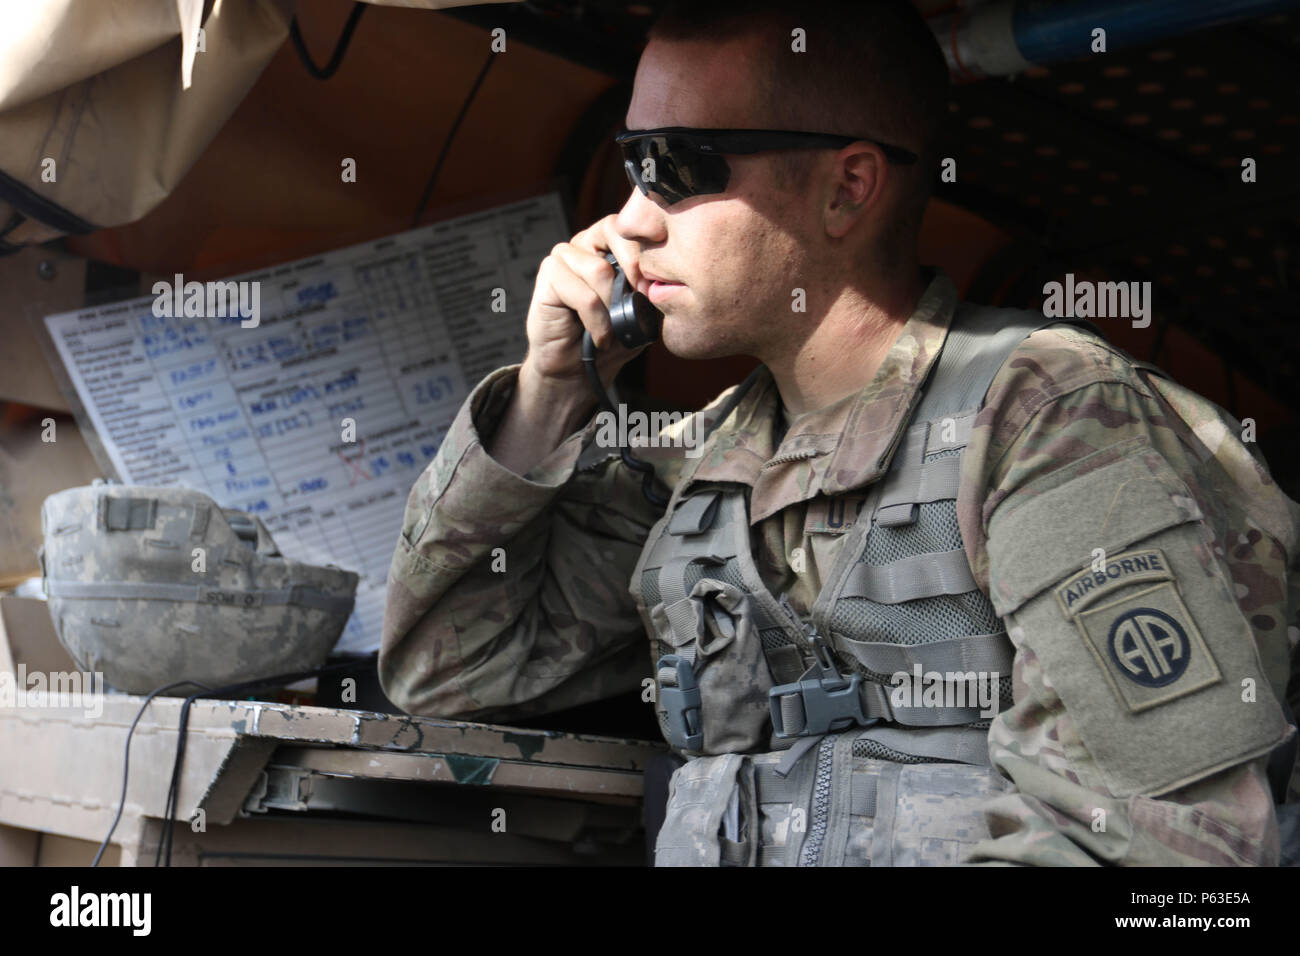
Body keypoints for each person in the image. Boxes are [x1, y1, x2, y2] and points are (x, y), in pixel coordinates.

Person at [381, 0, 1299, 866]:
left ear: (847, 187)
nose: (629, 221)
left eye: (680, 166)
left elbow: (1170, 845)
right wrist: (545, 398)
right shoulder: (704, 461)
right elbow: (454, 678)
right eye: (631, 163)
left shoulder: (1043, 418)